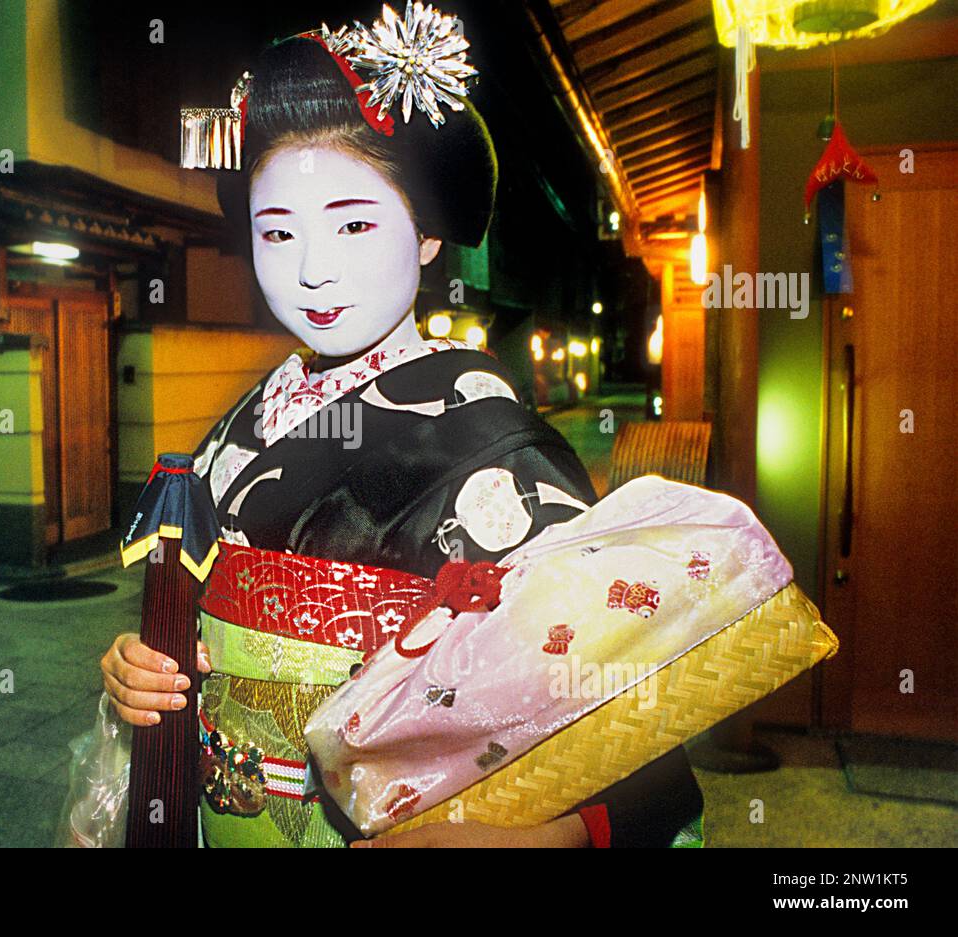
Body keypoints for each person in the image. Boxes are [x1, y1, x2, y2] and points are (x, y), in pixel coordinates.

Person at [100, 4, 703, 847]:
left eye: (353, 224)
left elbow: (633, 734)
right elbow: (188, 634)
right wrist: (147, 671)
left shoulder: (493, 451)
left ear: (424, 234)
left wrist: (545, 839)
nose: (312, 268)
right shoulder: (238, 428)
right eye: (278, 232)